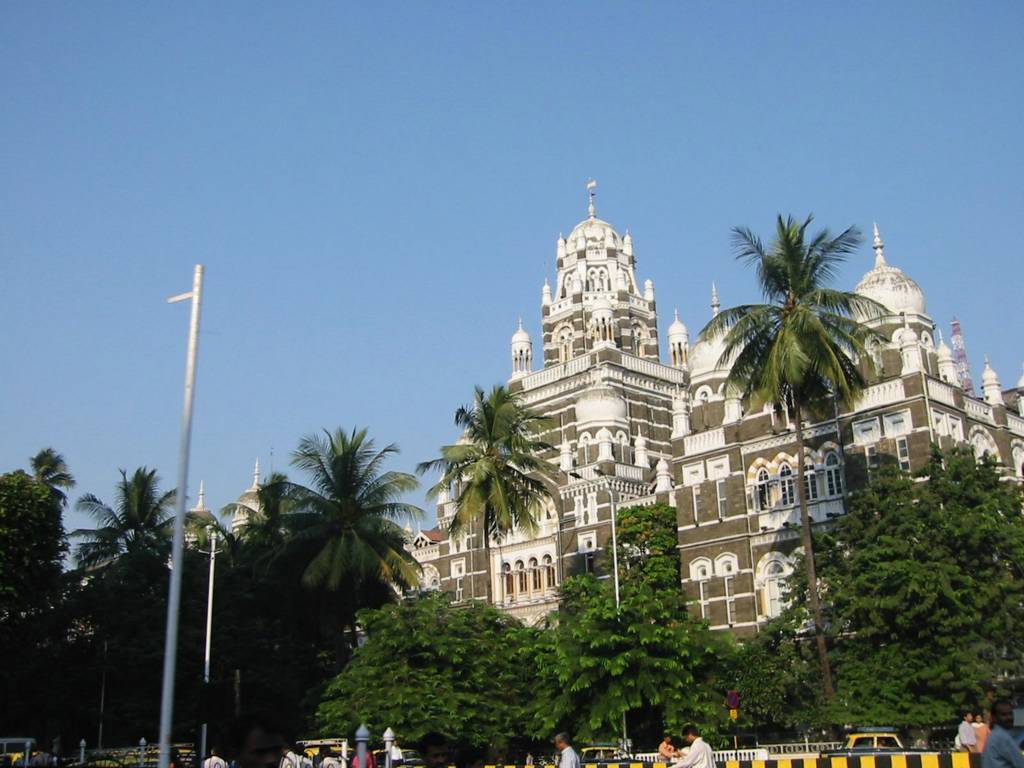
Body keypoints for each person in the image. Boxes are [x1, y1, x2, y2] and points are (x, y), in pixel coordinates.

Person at [982, 700, 1024, 768]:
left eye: (1010, 713)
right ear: (994, 718)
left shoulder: (994, 734)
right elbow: (1021, 763)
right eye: (1003, 715)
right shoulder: (1002, 737)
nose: (1009, 717)